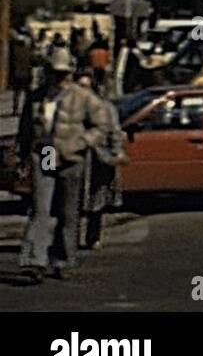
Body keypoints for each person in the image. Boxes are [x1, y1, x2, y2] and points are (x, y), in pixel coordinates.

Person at [15, 47, 112, 284]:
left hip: (71, 155)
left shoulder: (83, 97)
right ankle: (35, 261)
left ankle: (63, 260)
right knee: (41, 209)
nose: (59, 78)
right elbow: (26, 128)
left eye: (63, 73)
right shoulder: (37, 97)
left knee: (68, 212)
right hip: (46, 152)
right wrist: (23, 155)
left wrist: (82, 143)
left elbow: (101, 126)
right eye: (55, 73)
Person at [76, 71, 127, 251]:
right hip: (76, 160)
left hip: (99, 159)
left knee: (97, 201)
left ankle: (93, 237)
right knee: (72, 203)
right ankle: (69, 241)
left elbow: (114, 132)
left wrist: (116, 154)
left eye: (86, 87)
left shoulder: (105, 108)